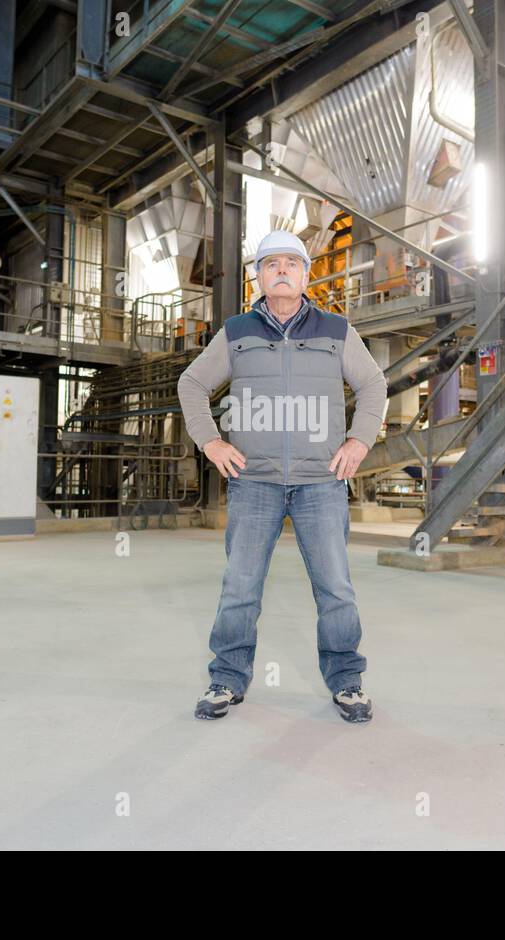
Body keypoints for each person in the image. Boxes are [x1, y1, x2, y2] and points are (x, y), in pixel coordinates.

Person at [177, 230, 388, 723]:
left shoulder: (337, 330)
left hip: (321, 482)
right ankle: (226, 680)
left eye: (291, 263)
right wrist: (211, 441)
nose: (282, 271)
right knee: (240, 587)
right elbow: (192, 383)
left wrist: (360, 439)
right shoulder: (237, 331)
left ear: (306, 274)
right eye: (271, 264)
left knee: (335, 588)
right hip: (255, 483)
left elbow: (373, 383)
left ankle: (347, 684)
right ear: (259, 276)